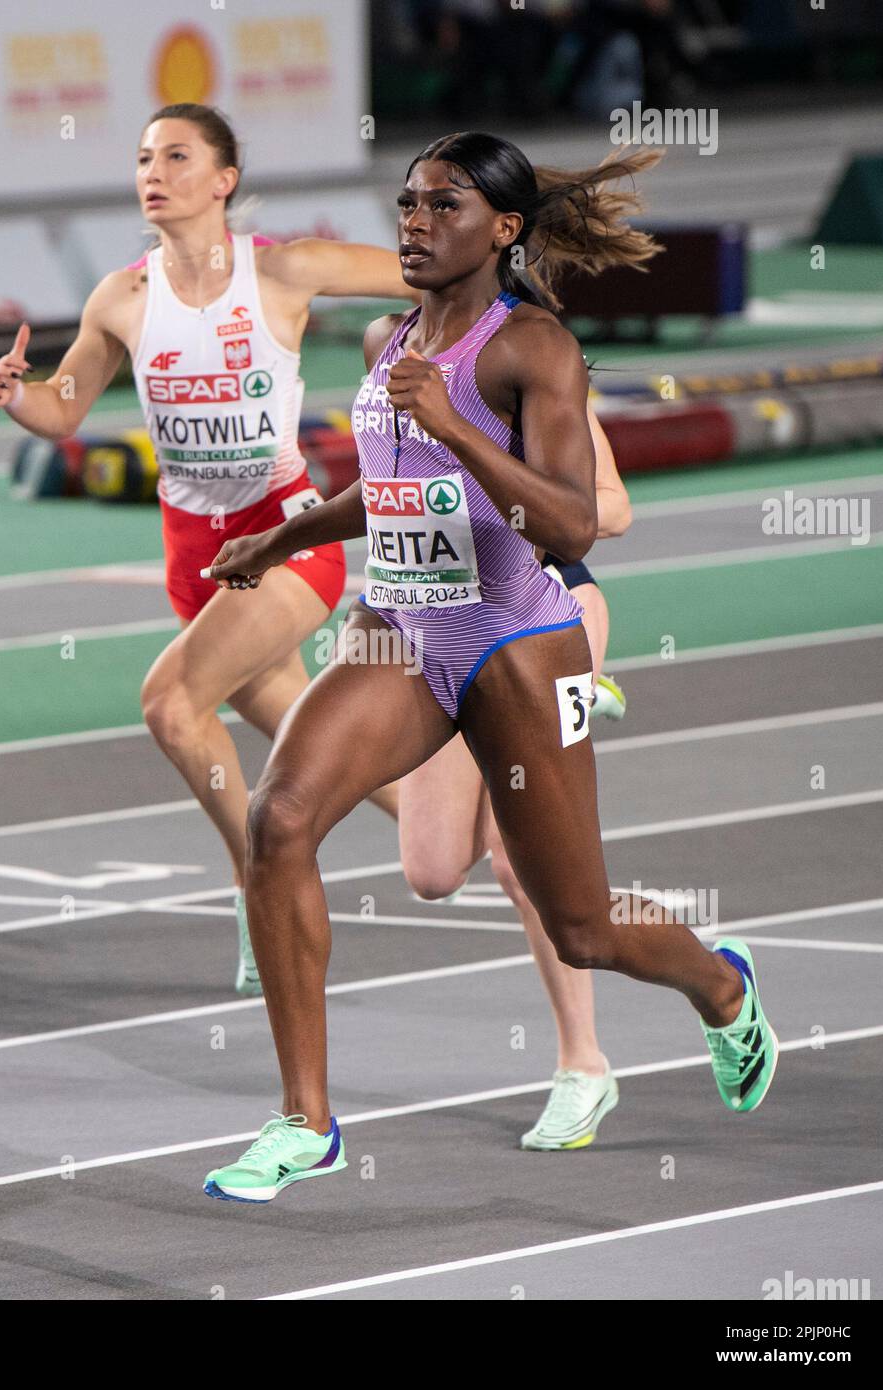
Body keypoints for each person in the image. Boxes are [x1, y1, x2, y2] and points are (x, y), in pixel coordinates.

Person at [200, 132, 778, 1203]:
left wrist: (455, 427)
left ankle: (720, 983)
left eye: (443, 206)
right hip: (406, 633)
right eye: (409, 204)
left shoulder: (533, 350)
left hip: (515, 643)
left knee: (584, 924)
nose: (414, 224)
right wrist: (279, 540)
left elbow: (569, 520)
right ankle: (304, 1121)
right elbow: (387, 488)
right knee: (277, 820)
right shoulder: (390, 340)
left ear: (503, 229)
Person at [0, 103, 418, 996]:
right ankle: (471, 821)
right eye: (143, 157)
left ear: (223, 181)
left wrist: (495, 352)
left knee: (172, 704)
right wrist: (17, 396)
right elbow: (64, 407)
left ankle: (258, 881)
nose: (154, 171)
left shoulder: (289, 270)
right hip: (194, 556)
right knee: (316, 741)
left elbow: (433, 275)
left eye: (177, 156)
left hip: (285, 532)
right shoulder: (122, 297)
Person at [399, 402, 631, 1151]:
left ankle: (582, 1066)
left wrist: (510, 506)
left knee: (515, 860)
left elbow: (613, 510)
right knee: (432, 871)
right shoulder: (396, 370)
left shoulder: (528, 368)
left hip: (539, 613)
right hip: (441, 622)